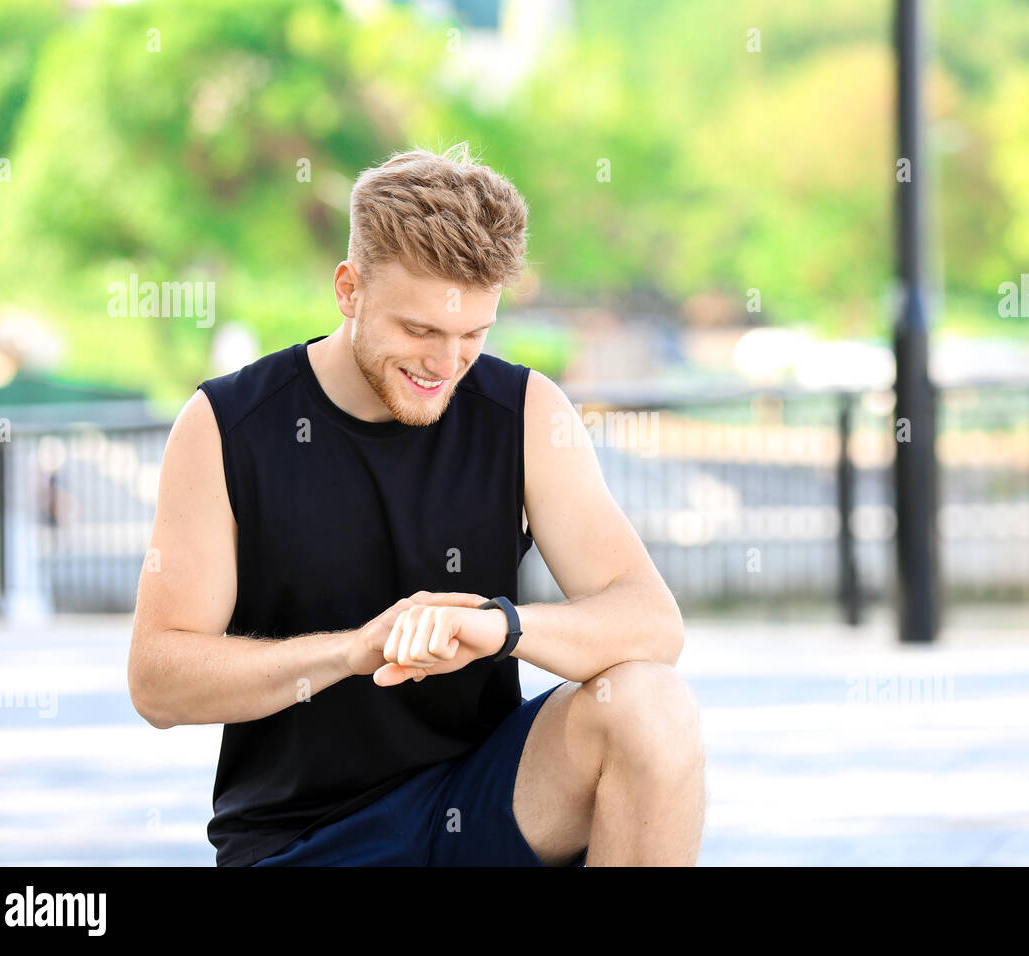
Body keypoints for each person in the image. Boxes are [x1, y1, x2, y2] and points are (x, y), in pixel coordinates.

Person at [127, 143, 705, 866]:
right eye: (420, 331)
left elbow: (652, 624)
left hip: (484, 806)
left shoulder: (525, 413)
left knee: (652, 706)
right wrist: (351, 652)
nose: (445, 364)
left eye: (472, 336)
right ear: (349, 289)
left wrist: (501, 626)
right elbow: (156, 680)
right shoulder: (225, 425)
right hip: (302, 841)